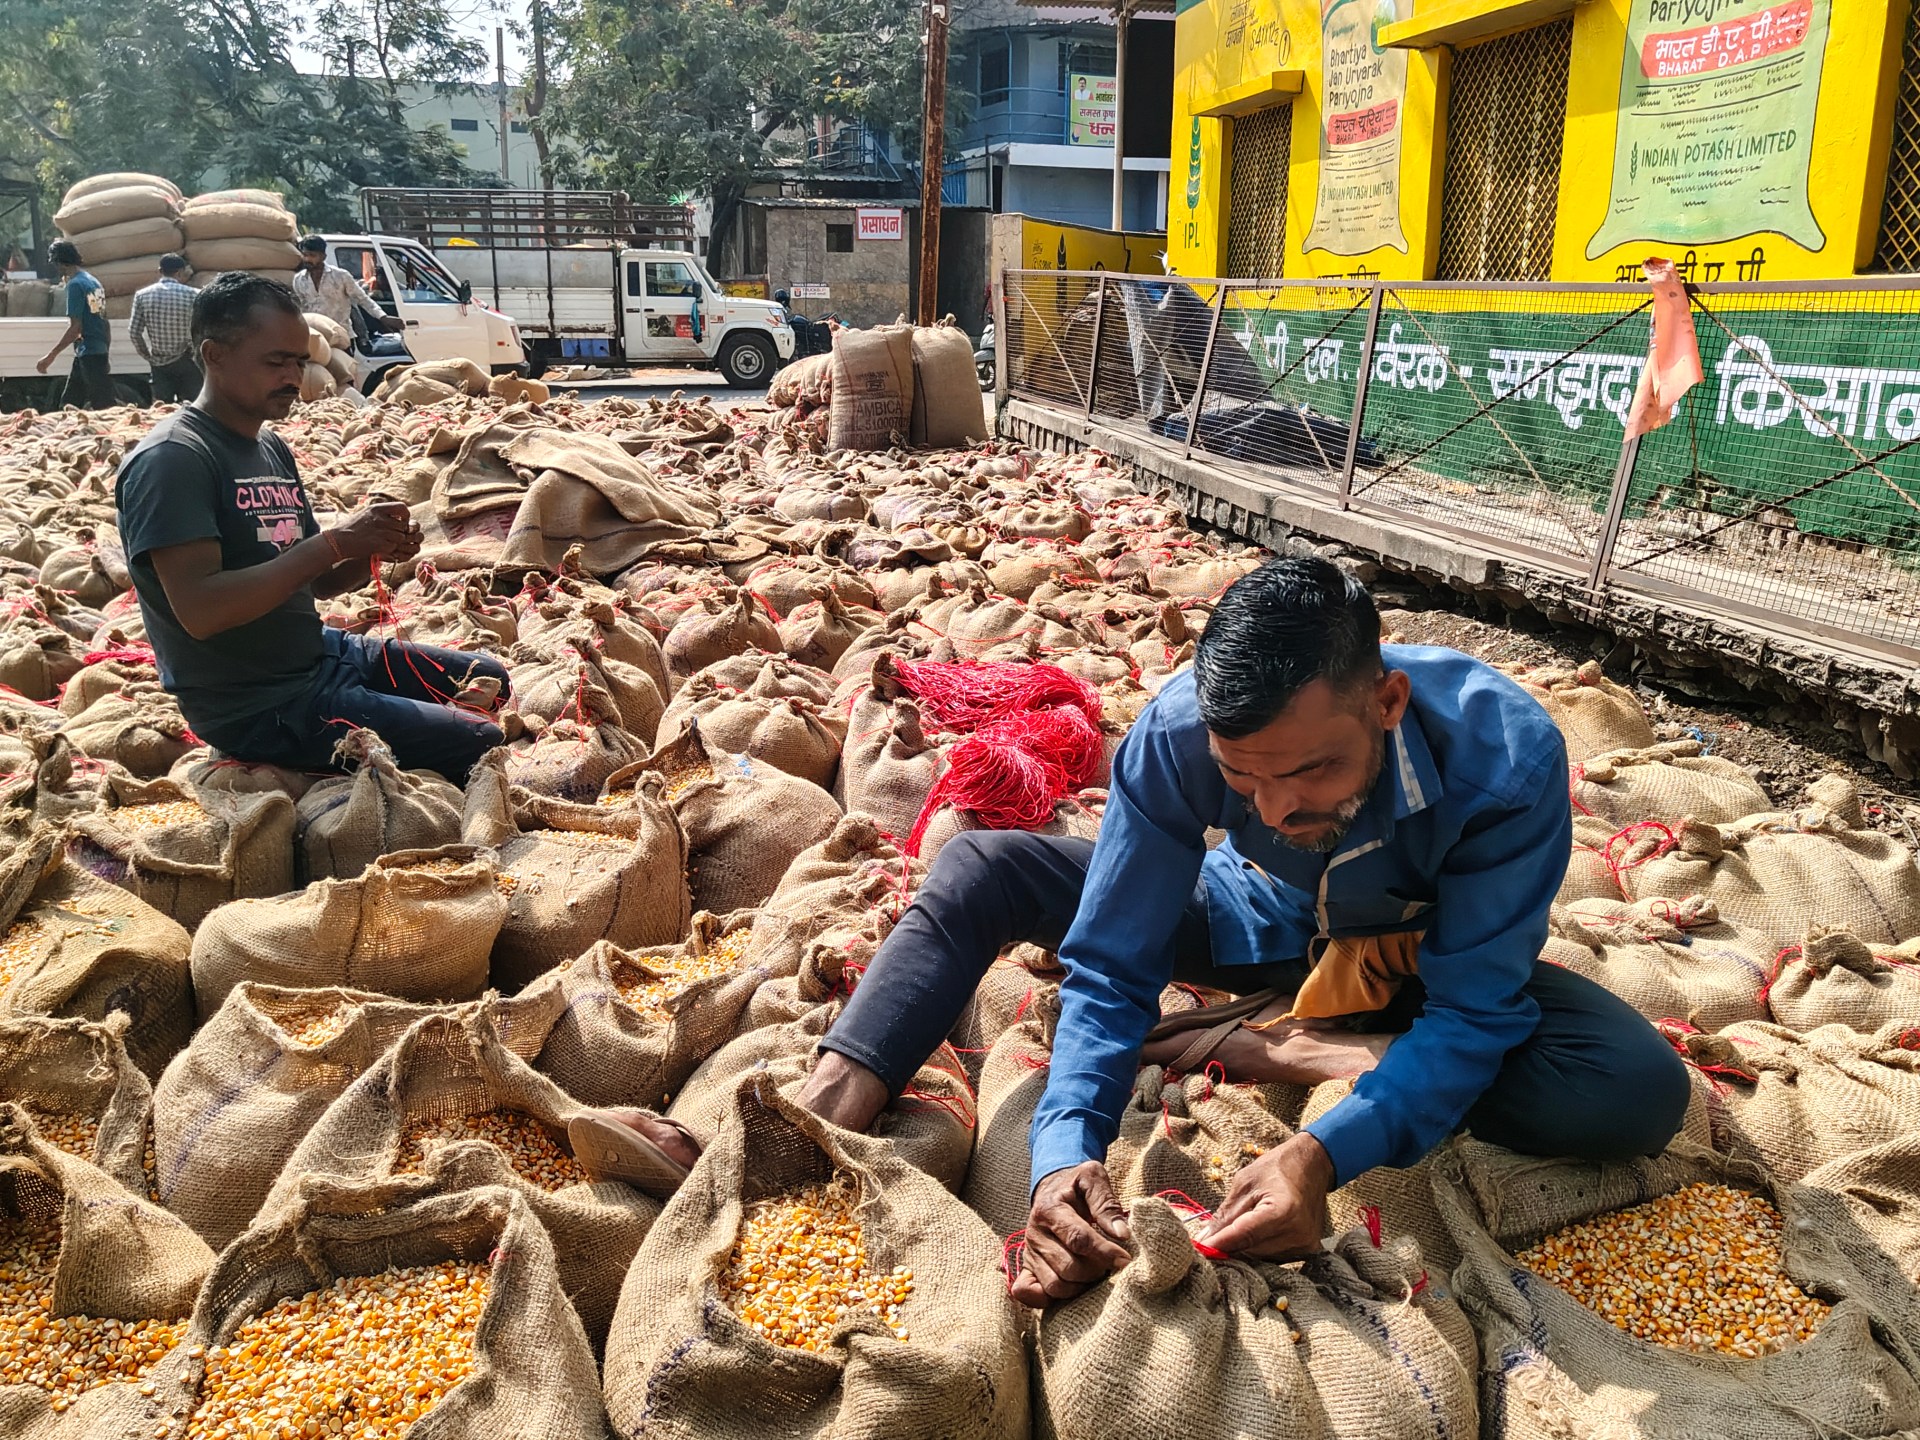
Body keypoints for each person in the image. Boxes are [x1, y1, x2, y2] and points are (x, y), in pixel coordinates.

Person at [569, 557, 1691, 1303]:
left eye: (1312, 776)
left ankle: (1305, 1050)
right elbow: (1112, 968)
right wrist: (1064, 1155)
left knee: (1632, 1093)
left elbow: (1477, 1011)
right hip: (1254, 931)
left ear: (1386, 706)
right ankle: (829, 1102)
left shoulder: (1505, 758)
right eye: (1245, 785)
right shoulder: (1174, 736)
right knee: (981, 866)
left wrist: (1324, 1147)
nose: (1280, 812)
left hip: (1414, 968)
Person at [113, 272, 510, 782]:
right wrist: (337, 541)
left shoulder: (268, 446)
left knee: (490, 677)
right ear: (214, 355)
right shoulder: (175, 459)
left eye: (299, 361)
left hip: (320, 654)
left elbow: (317, 579)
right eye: (276, 361)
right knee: (480, 741)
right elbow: (202, 611)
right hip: (258, 703)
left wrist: (373, 552)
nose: (294, 376)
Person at [35, 240, 116, 409]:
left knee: (104, 406)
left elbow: (75, 328)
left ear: (60, 262)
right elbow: (103, 321)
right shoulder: (93, 282)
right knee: (70, 403)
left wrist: (51, 356)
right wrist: (105, 351)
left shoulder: (75, 285)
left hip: (89, 352)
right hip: (94, 351)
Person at [291, 235, 405, 337]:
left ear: (323, 257)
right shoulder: (299, 280)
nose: (307, 259)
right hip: (316, 336)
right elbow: (300, 308)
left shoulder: (341, 276)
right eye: (305, 255)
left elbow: (363, 299)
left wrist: (383, 317)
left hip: (341, 335)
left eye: (312, 255)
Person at [127, 254, 203, 403]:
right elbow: (203, 329)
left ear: (160, 270)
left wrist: (147, 356)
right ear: (180, 272)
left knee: (161, 410)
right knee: (191, 409)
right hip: (187, 361)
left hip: (159, 362)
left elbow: (134, 332)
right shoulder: (194, 295)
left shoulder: (142, 296)